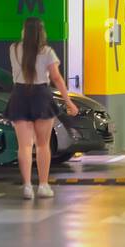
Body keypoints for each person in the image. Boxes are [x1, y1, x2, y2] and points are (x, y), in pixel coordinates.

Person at [5, 16, 77, 199]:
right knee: (43, 144)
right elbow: (56, 78)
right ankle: (43, 185)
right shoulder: (47, 51)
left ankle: (27, 186)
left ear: (24, 31)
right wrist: (68, 101)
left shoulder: (13, 49)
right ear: (41, 32)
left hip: (19, 95)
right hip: (41, 96)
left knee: (24, 145)